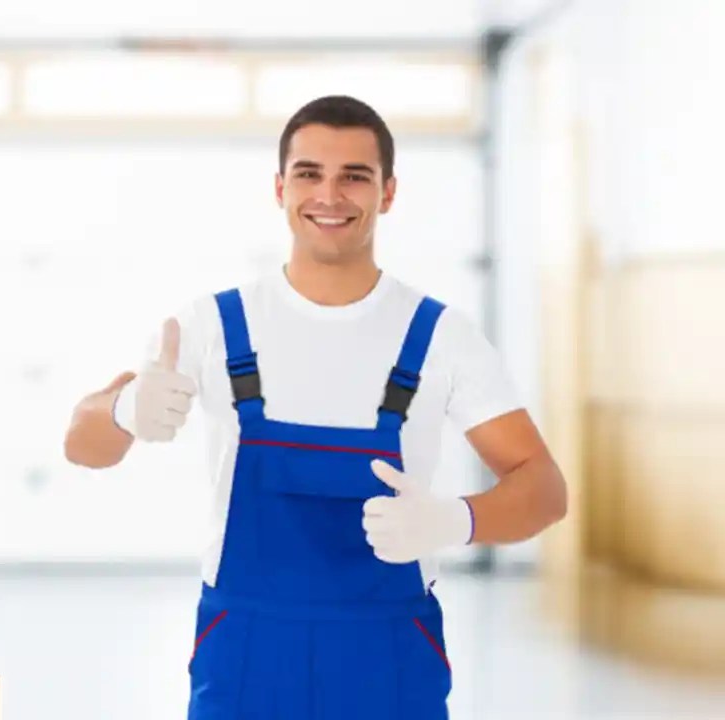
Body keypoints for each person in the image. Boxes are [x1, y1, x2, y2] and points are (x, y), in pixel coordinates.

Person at [62, 95, 567, 719]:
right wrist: (122, 411)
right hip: (246, 653)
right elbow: (81, 446)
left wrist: (455, 521)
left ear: (388, 193)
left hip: (388, 657)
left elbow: (544, 487)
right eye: (309, 174)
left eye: (355, 176)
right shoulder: (214, 326)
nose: (330, 195)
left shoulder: (439, 336)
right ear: (279, 187)